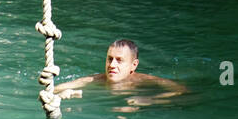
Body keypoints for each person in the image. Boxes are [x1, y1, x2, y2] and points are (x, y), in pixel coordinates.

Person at [54, 39, 187, 101]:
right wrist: (60, 94)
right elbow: (53, 89)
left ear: (133, 65)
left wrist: (150, 100)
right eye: (109, 59)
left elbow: (182, 91)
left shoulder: (144, 80)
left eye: (119, 60)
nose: (112, 65)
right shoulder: (95, 79)